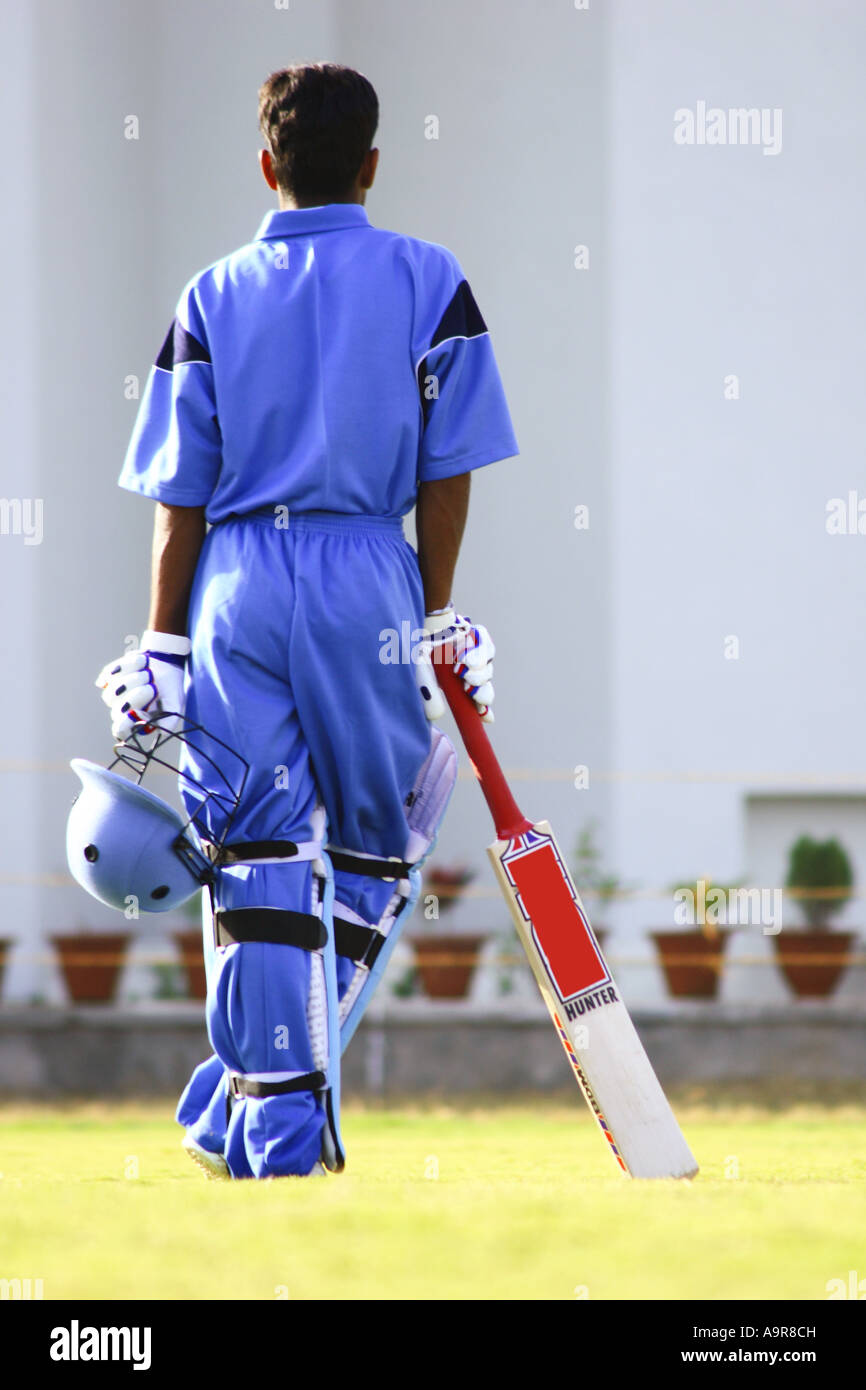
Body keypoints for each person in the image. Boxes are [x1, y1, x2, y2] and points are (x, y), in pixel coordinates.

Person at [96, 63, 518, 1179]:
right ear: (372, 164)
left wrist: (163, 644)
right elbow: (449, 462)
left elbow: (177, 495)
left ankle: (239, 1104)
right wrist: (436, 612)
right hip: (368, 575)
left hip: (235, 579)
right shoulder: (430, 281)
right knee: (377, 851)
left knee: (257, 856)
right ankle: (274, 1121)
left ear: (265, 164)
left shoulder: (210, 293)